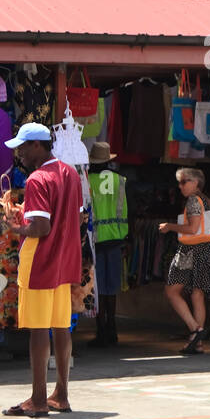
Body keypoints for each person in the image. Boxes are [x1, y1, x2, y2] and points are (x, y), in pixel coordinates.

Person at [1, 123, 82, 417]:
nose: (19, 154)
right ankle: (60, 393)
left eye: (22, 147)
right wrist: (26, 213)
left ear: (38, 145)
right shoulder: (70, 173)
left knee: (38, 330)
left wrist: (16, 227)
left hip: (40, 261)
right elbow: (73, 215)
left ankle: (37, 399)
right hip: (64, 260)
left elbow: (41, 227)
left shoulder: (37, 179)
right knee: (61, 327)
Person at [160, 168, 210, 355]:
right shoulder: (209, 201)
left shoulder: (192, 201)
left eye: (184, 182)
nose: (180, 186)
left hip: (192, 252)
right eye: (179, 182)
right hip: (208, 251)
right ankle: (197, 343)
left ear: (196, 183)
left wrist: (169, 226)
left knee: (172, 290)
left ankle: (195, 329)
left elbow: (193, 228)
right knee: (198, 295)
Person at [87, 141, 127, 347]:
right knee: (111, 288)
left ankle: (101, 330)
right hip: (116, 238)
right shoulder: (120, 181)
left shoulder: (87, 181)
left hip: (95, 240)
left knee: (97, 287)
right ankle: (113, 328)